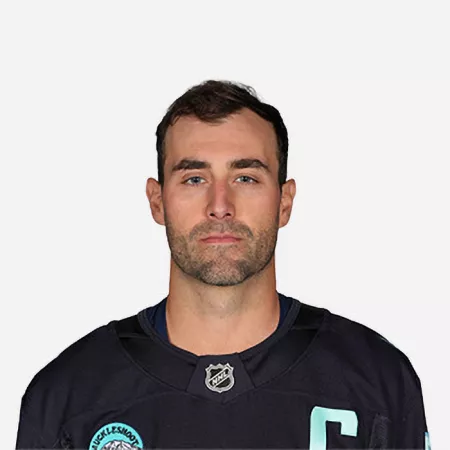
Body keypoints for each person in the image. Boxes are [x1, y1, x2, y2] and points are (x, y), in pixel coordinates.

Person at [16, 80, 431, 450]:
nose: (220, 206)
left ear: (284, 202)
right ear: (157, 201)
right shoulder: (70, 395)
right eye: (194, 179)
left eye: (246, 178)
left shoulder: (376, 380)